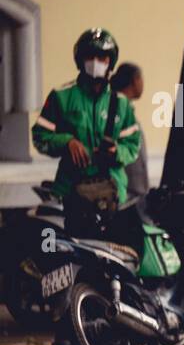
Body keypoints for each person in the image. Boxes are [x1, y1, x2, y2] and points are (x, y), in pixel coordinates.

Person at [31, 28, 142, 237]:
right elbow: (40, 136)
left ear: (111, 61)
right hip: (70, 193)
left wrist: (116, 152)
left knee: (110, 258)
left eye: (102, 57)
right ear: (80, 60)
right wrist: (67, 142)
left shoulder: (121, 104)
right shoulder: (61, 96)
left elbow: (133, 145)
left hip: (111, 197)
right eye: (90, 56)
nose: (96, 62)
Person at [110, 62, 150, 198]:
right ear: (135, 80)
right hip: (125, 191)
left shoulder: (126, 110)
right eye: (142, 78)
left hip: (133, 192)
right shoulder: (116, 109)